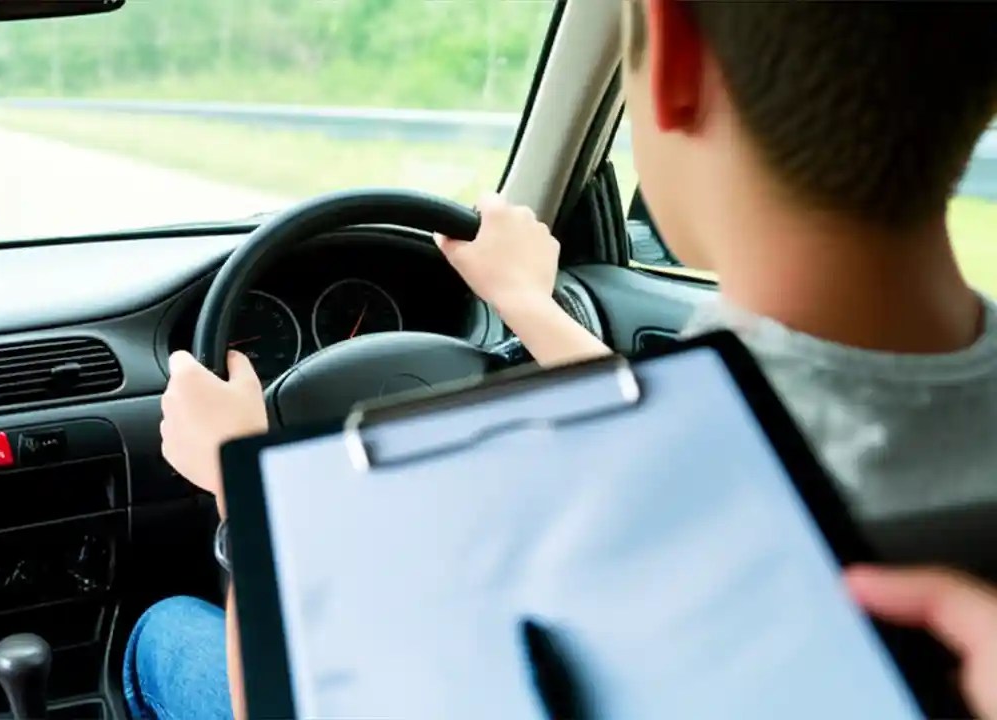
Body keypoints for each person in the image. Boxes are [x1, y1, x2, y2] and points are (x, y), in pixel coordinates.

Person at [123, 1, 997, 718]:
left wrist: (240, 482)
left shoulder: (604, 497)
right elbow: (681, 442)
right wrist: (530, 306)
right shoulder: (718, 451)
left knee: (162, 635)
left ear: (679, 60)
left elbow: (292, 704)